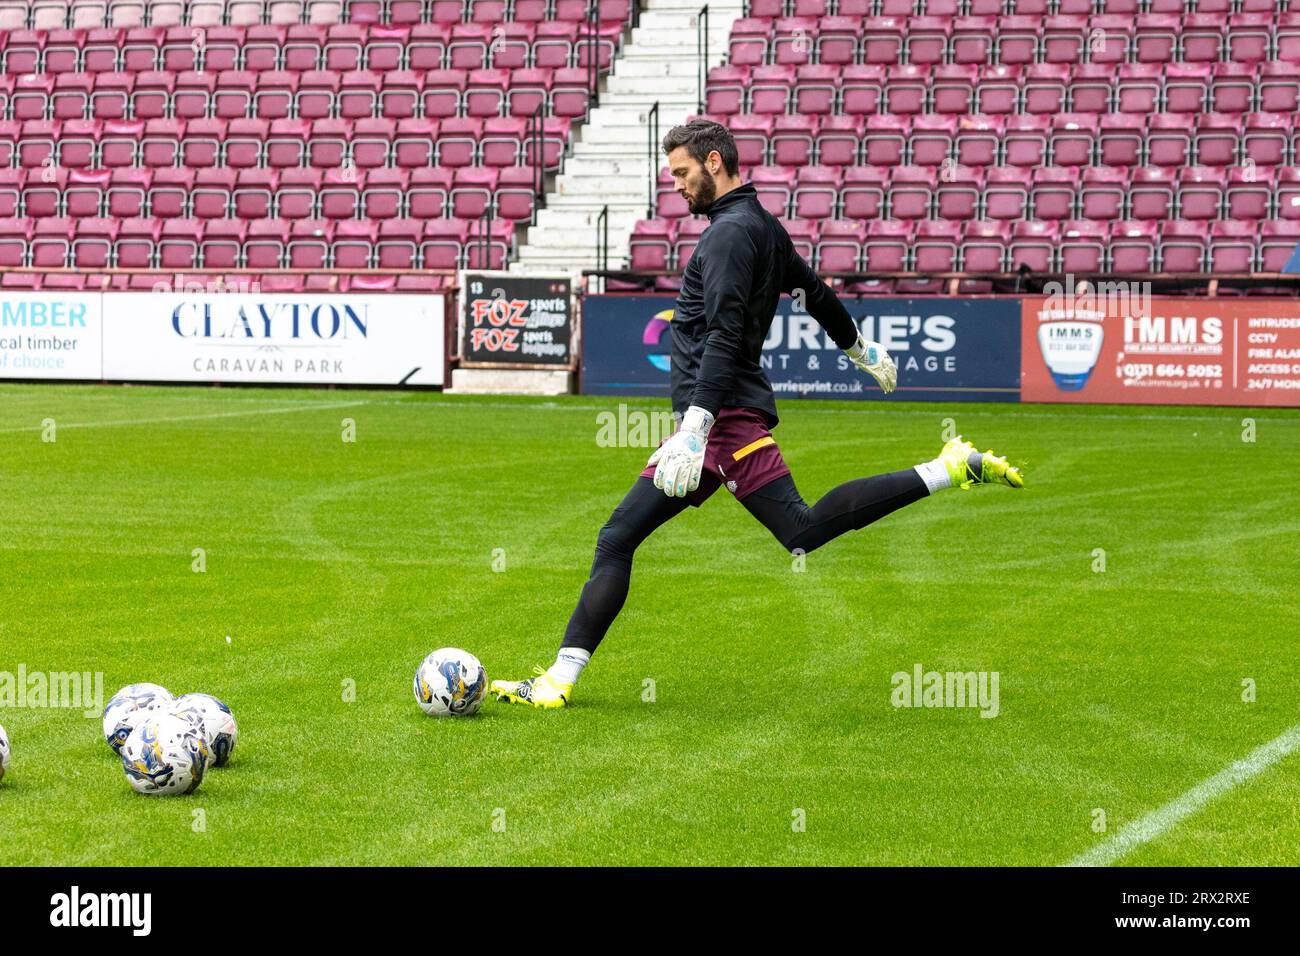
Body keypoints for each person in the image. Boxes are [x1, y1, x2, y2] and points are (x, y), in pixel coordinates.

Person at [492, 120, 1024, 709]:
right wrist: (857, 348)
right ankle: (557, 683)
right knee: (626, 536)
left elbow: (722, 336)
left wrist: (695, 429)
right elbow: (814, 292)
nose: (677, 185)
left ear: (714, 161)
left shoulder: (726, 236)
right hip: (715, 420)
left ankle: (949, 469)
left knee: (782, 529)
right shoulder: (761, 226)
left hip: (718, 421)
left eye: (683, 173)